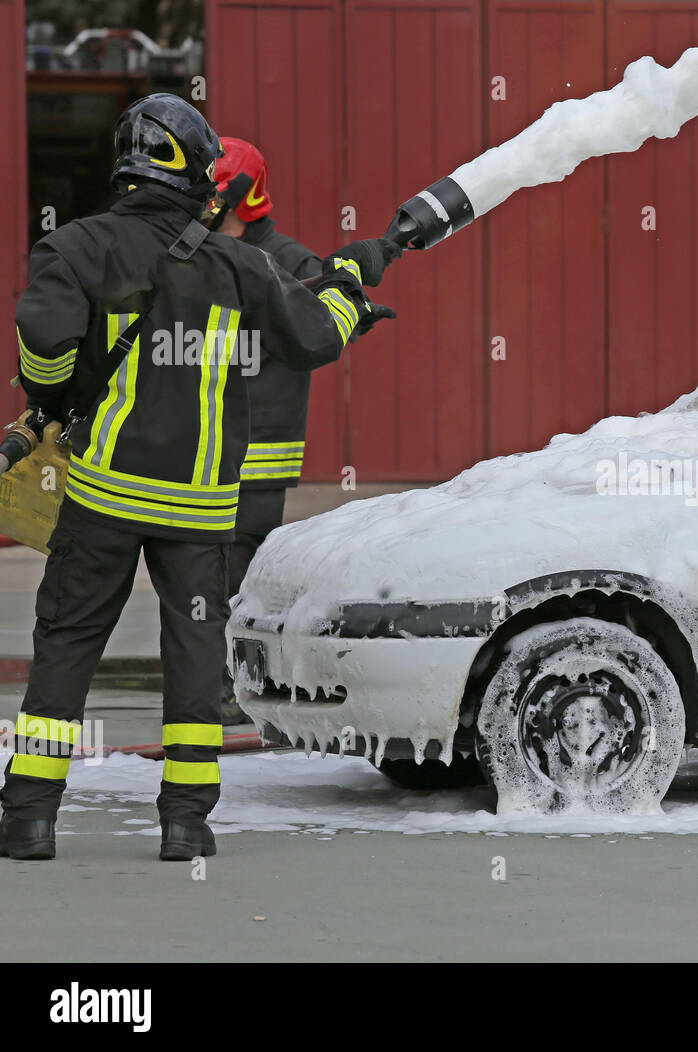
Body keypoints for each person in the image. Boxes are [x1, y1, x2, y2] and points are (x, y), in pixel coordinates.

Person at [0, 93, 399, 861]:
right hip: (199, 510)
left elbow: (44, 341)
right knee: (192, 655)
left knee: (67, 646)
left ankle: (29, 819)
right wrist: (350, 297)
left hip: (103, 499)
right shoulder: (237, 263)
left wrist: (49, 398)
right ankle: (186, 823)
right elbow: (315, 335)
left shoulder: (77, 248)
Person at [206, 138, 322, 725]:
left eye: (215, 205)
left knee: (238, 560)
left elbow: (319, 332)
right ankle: (209, 680)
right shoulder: (199, 254)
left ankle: (229, 685)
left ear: (245, 201)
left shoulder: (292, 262)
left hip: (260, 447)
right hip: (201, 443)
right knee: (199, 562)